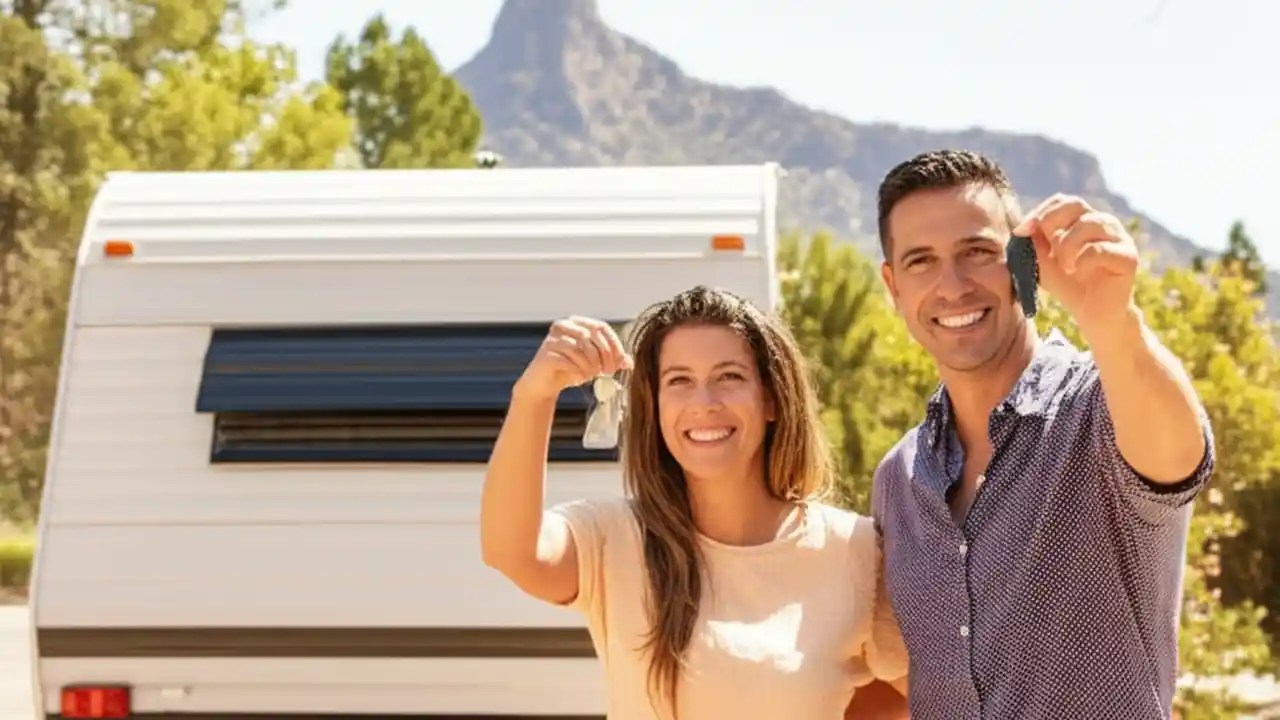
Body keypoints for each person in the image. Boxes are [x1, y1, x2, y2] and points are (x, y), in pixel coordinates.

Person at [870, 149, 1216, 719]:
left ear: (1023, 263)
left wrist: (1111, 319)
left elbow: (1180, 454)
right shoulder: (899, 480)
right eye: (921, 261)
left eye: (977, 252)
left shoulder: (1100, 407)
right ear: (893, 286)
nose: (951, 286)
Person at [480, 286, 910, 720]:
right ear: (657, 407)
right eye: (679, 381)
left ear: (772, 399)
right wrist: (533, 396)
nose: (704, 404)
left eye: (729, 377)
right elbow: (511, 552)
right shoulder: (613, 537)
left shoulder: (853, 550)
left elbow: (917, 695)